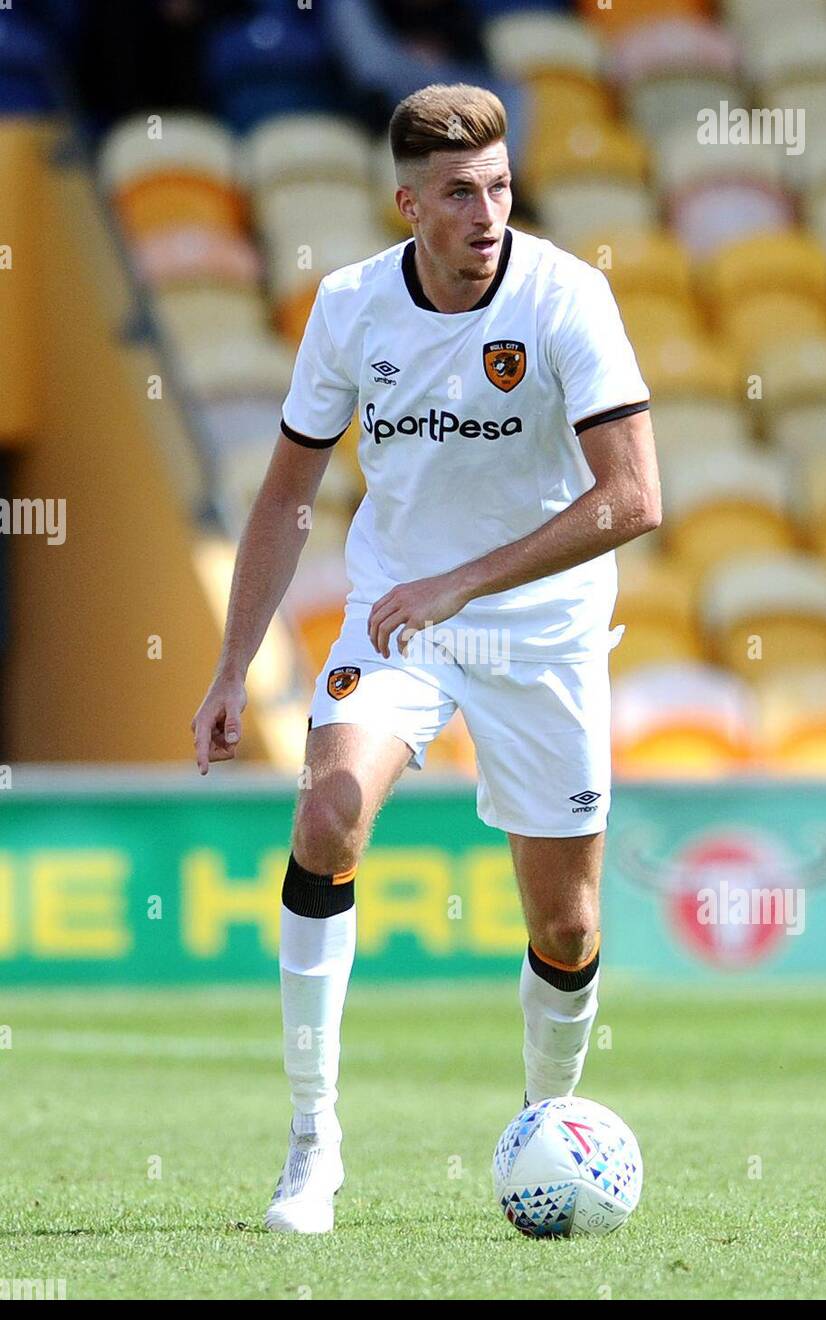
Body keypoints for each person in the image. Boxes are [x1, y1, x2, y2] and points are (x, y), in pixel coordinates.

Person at [191, 82, 661, 1235]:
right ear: (407, 204)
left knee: (565, 927)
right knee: (327, 818)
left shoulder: (567, 298)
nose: (486, 211)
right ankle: (312, 1143)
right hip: (399, 618)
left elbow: (635, 497)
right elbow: (286, 498)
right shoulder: (351, 308)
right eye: (458, 193)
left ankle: (545, 1128)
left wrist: (464, 579)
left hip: (541, 628)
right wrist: (228, 666)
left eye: (499, 186)